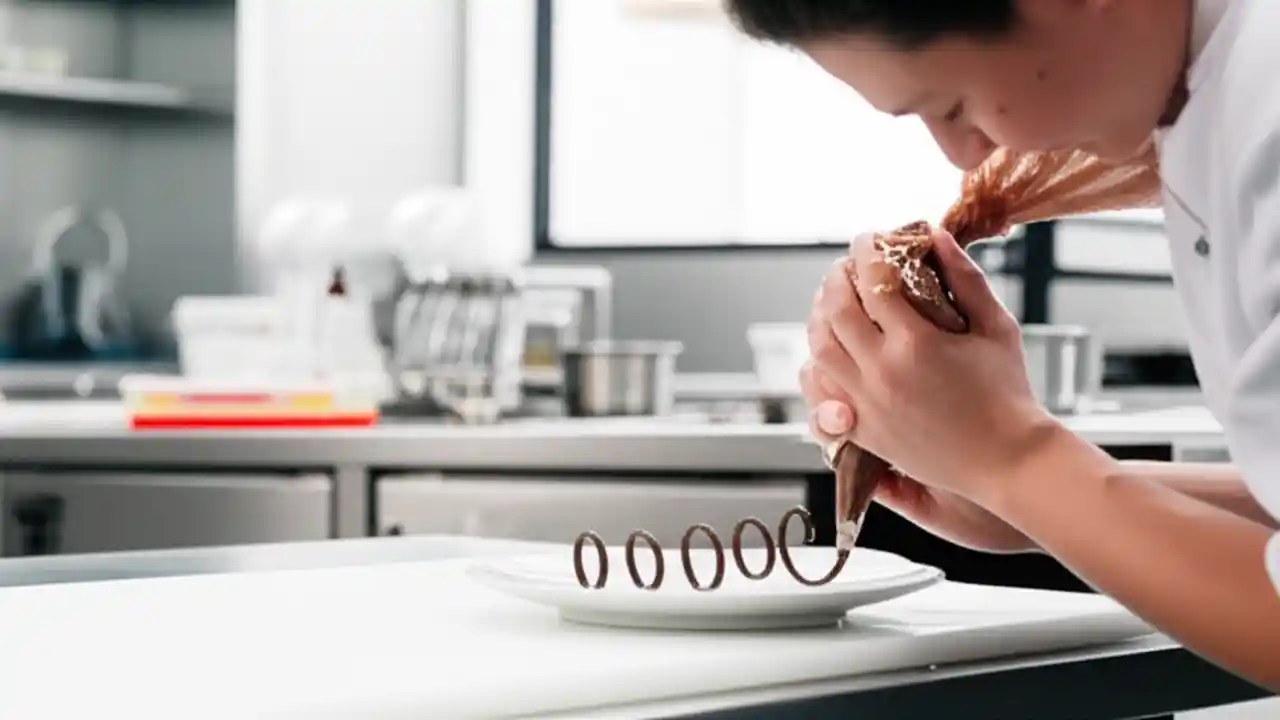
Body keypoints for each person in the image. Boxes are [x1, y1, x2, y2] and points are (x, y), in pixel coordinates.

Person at [725, 0, 1280, 691]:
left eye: (952, 105)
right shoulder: (1213, 106)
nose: (964, 152)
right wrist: (1036, 502)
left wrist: (1014, 460)